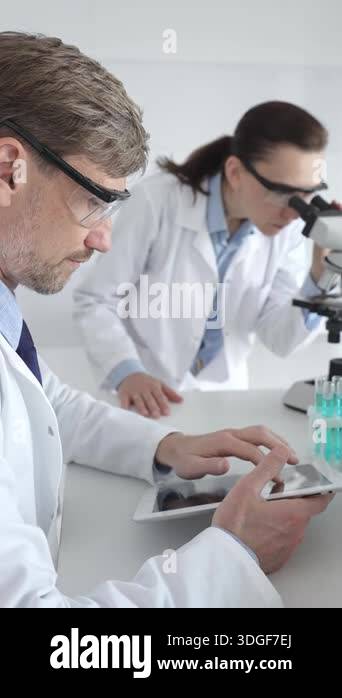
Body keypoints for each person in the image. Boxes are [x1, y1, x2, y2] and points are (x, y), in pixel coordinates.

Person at [0, 32, 332, 608]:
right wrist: (232, 555)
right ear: (9, 170)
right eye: (95, 201)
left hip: (201, 402)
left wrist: (168, 445)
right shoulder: (159, 203)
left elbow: (49, 403)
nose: (103, 237)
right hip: (149, 388)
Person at [74, 101, 332, 419]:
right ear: (235, 172)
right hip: (142, 397)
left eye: (306, 196)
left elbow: (279, 338)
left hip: (223, 400)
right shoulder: (157, 202)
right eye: (282, 192)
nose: (294, 212)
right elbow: (96, 301)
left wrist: (321, 276)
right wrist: (127, 372)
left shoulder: (287, 231)